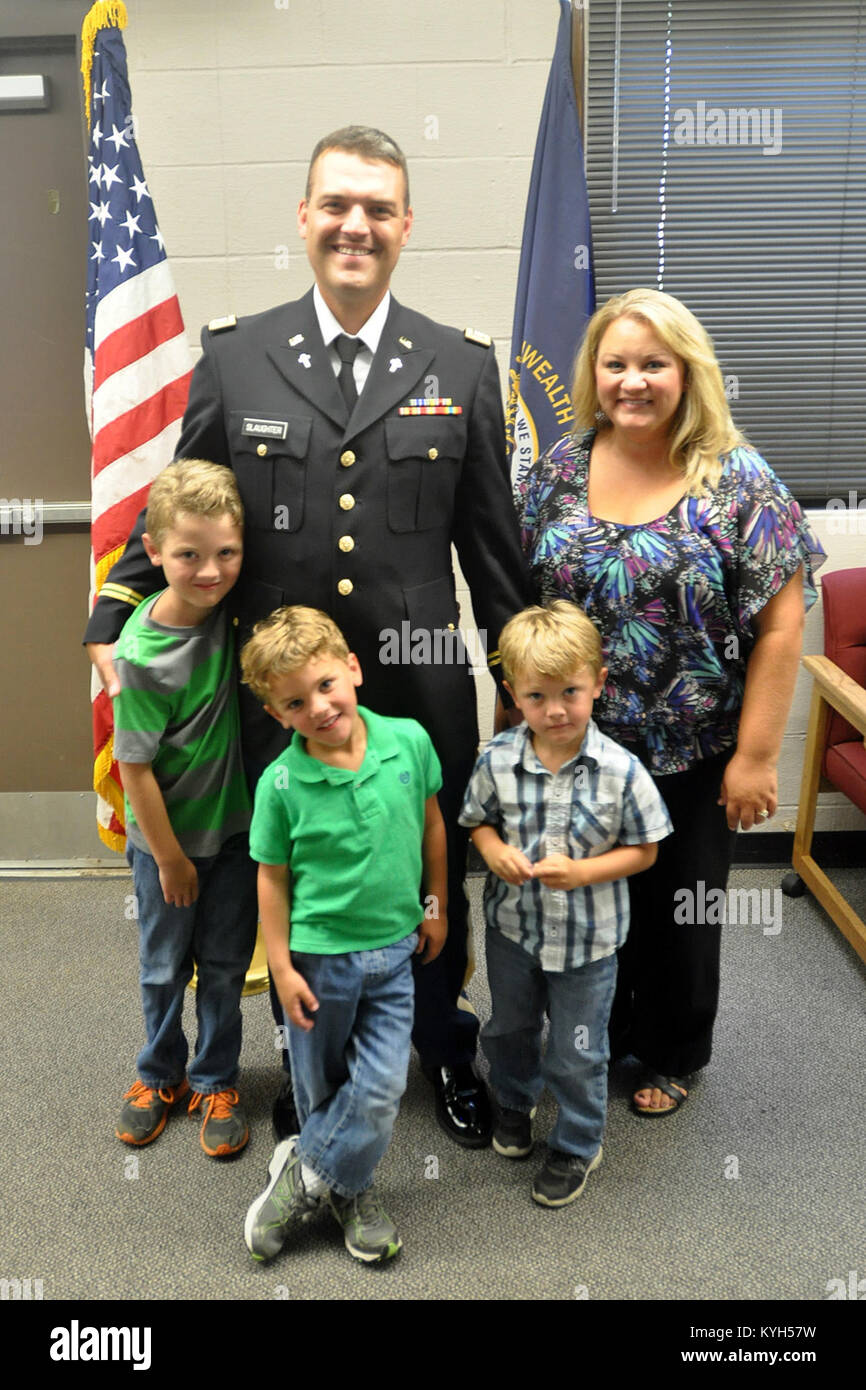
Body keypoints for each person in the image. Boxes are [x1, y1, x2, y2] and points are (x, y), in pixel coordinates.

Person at [85, 125, 531, 1149]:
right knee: (300, 868)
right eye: (336, 203)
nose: (354, 224)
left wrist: (518, 680)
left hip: (415, 689)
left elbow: (492, 549)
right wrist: (110, 616)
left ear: (405, 225)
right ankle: (309, 1052)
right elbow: (179, 515)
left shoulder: (459, 366)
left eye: (377, 207)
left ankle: (438, 1039)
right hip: (277, 699)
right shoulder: (235, 357)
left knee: (428, 871)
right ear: (303, 218)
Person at [515, 288, 826, 1117]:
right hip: (577, 746)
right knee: (585, 896)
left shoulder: (738, 480)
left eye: (654, 364)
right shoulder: (556, 472)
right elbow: (528, 606)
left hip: (693, 750)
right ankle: (597, 1032)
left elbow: (783, 631)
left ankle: (672, 1049)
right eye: (615, 364)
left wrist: (757, 758)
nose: (633, 381)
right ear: (594, 374)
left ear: (688, 372)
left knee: (678, 911)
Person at [239, 606, 446, 1264]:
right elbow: (271, 879)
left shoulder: (409, 741)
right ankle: (350, 1188)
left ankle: (305, 1170)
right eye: (296, 702)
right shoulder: (280, 785)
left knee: (382, 1089)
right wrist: (280, 965)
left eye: (327, 685)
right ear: (278, 715)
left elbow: (433, 826)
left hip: (394, 956)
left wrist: (436, 903)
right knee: (321, 1087)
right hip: (317, 961)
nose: (320, 707)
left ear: (352, 667)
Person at [460, 602, 672, 1204]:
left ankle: (579, 1142)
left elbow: (646, 850)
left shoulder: (623, 772)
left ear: (599, 683)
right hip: (513, 932)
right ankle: (515, 1102)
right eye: (536, 696)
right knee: (509, 1028)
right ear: (512, 694)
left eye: (571, 693)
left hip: (589, 941)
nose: (555, 710)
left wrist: (583, 872)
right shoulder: (496, 759)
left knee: (578, 1048)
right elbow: (477, 822)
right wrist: (492, 849)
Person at [112, 460, 257, 1157]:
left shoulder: (238, 614)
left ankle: (215, 1078)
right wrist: (168, 857)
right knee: (164, 964)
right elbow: (133, 769)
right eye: (189, 555)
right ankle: (158, 1072)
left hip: (233, 838)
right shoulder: (142, 655)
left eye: (226, 552)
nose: (210, 570)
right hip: (165, 845)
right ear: (153, 552)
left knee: (226, 965)